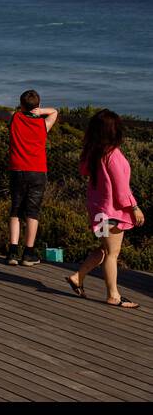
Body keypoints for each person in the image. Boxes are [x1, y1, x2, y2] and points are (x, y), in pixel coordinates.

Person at [67, 109, 144, 308]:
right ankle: (113, 295)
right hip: (112, 213)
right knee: (112, 253)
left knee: (104, 248)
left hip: (98, 210)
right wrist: (135, 207)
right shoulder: (112, 155)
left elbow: (83, 170)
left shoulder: (93, 152)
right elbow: (121, 189)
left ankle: (78, 276)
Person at [6, 89, 58, 266]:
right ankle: (28, 253)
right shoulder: (43, 124)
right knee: (32, 212)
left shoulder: (15, 118)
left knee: (15, 210)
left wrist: (19, 111)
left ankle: (12, 252)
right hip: (37, 171)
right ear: (38, 105)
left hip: (17, 169)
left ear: (21, 105)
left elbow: (3, 113)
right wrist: (42, 111)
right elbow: (54, 112)